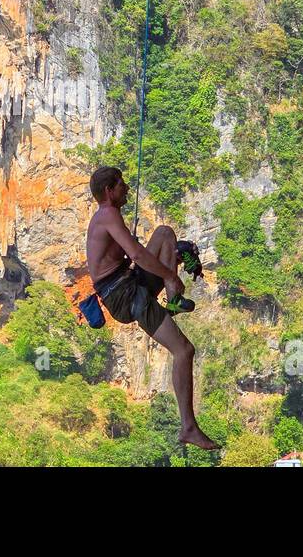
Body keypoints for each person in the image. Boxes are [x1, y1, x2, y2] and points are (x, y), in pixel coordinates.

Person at [85, 166, 219, 450]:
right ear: (109, 190)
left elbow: (135, 253)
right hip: (124, 295)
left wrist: (173, 261)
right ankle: (189, 427)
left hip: (127, 282)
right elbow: (136, 254)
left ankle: (172, 299)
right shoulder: (108, 215)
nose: (126, 189)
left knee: (164, 234)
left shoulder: (108, 215)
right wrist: (170, 274)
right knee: (184, 350)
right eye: (121, 185)